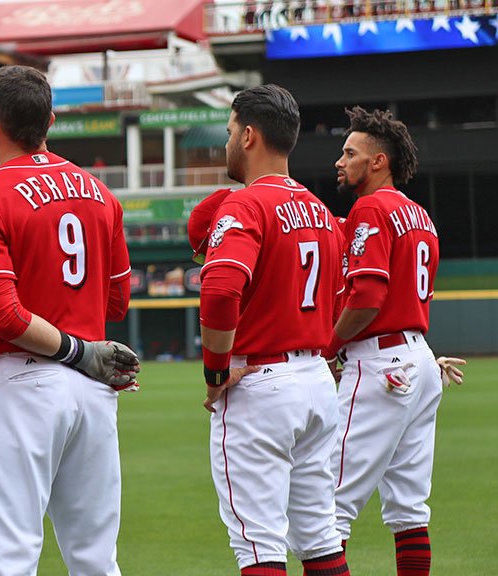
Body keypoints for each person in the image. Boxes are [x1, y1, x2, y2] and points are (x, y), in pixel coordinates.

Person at [0, 65, 140, 576]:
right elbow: (116, 302)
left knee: (7, 560)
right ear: (50, 120)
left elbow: (4, 315)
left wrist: (73, 349)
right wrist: (81, 344)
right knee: (96, 560)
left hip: (22, 383)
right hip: (93, 388)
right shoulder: (100, 193)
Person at [189, 84, 350, 576]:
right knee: (320, 537)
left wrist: (216, 373)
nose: (228, 142)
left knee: (258, 545)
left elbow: (220, 290)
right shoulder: (322, 212)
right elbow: (341, 299)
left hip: (261, 386)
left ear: (250, 136)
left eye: (230, 131)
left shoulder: (245, 205)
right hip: (316, 380)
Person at [325, 107, 463, 575]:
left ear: (378, 161)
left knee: (327, 507)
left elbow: (367, 297)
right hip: (418, 360)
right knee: (409, 510)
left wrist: (328, 349)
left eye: (350, 153)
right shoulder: (419, 214)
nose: (340, 161)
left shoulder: (370, 208)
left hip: (380, 364)